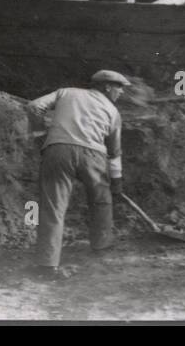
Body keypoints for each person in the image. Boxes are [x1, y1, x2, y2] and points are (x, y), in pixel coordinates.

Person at [26, 70, 129, 281]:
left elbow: (34, 106)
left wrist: (39, 135)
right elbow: (115, 151)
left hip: (58, 151)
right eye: (119, 87)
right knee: (102, 202)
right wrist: (116, 180)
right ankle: (101, 249)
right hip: (94, 155)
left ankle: (47, 265)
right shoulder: (113, 111)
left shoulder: (66, 92)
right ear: (106, 87)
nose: (121, 93)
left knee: (53, 207)